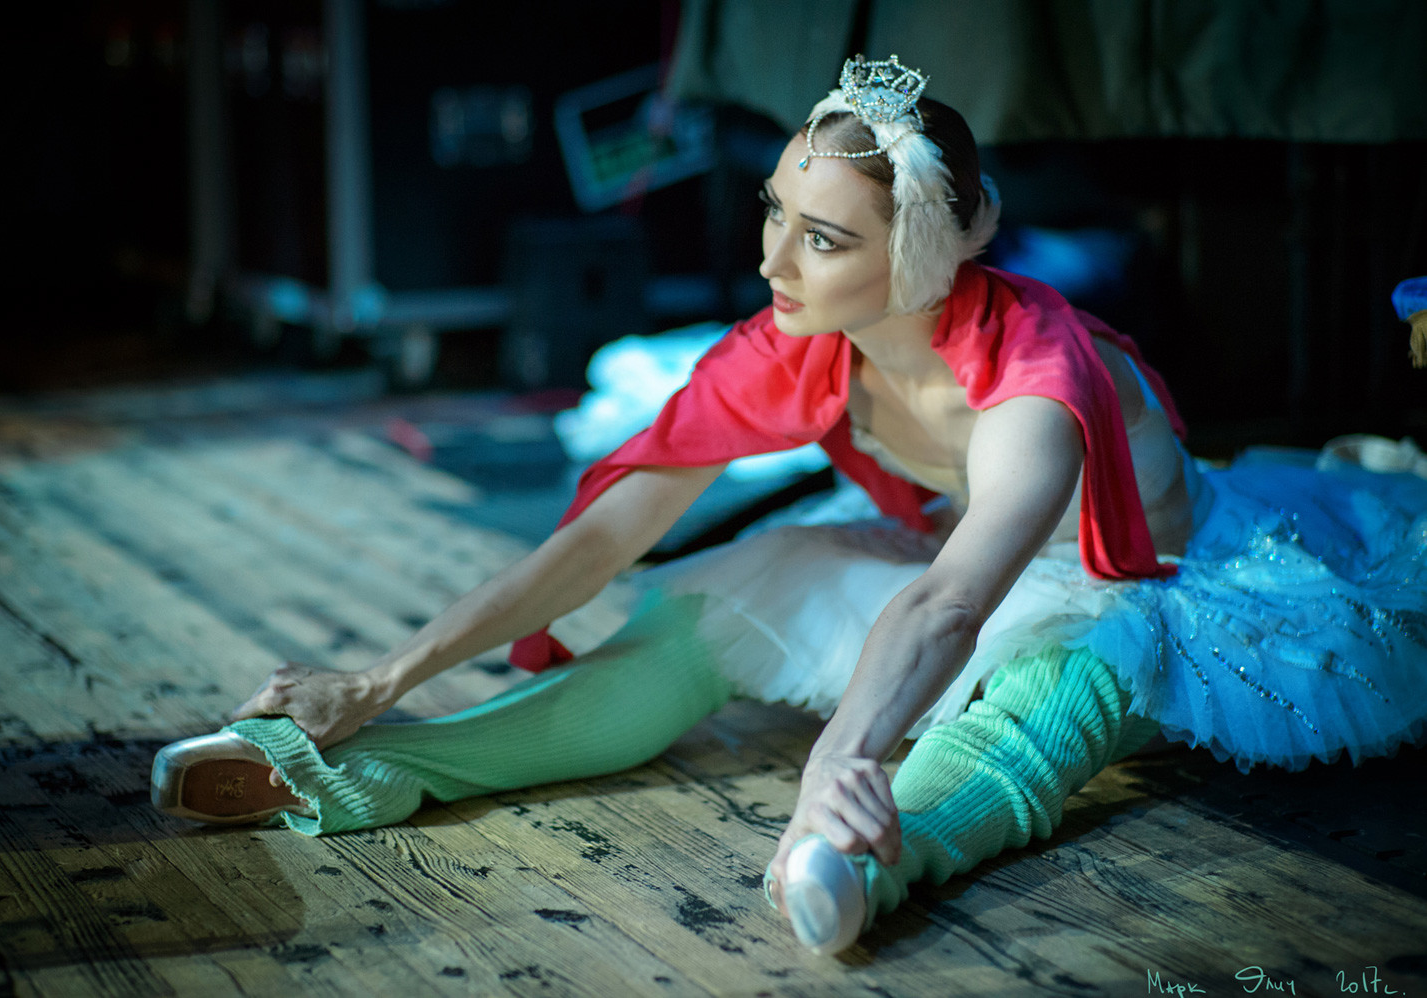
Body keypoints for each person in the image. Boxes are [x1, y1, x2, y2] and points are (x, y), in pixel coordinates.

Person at [152, 55, 1427, 956]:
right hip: (954, 568)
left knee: (1069, 667)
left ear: (921, 250)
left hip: (1125, 586)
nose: (769, 259)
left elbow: (951, 599)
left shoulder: (1038, 375)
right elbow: (605, 533)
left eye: (820, 236)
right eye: (777, 212)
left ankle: (869, 854)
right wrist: (383, 674)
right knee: (711, 595)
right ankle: (375, 764)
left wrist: (839, 756)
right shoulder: (798, 338)